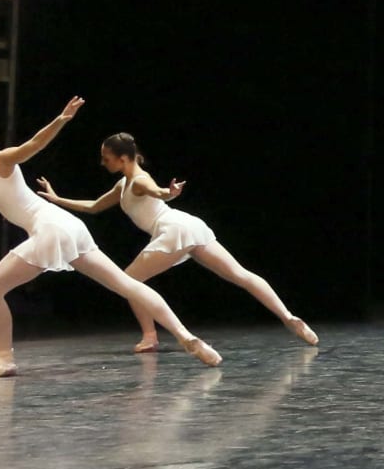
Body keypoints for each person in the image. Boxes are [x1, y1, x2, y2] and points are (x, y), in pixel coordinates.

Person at [0, 99, 218, 376]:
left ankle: (5, 359)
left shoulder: (2, 162)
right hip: (68, 228)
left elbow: (33, 144)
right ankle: (187, 336)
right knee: (126, 286)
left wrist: (62, 119)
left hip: (49, 229)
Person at [38, 132, 319, 348]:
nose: (103, 162)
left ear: (123, 158)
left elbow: (155, 191)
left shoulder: (138, 179)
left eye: (106, 158)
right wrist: (56, 198)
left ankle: (150, 335)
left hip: (172, 229)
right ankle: (289, 317)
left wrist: (167, 192)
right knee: (239, 274)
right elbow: (94, 206)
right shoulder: (123, 183)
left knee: (129, 282)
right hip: (188, 226)